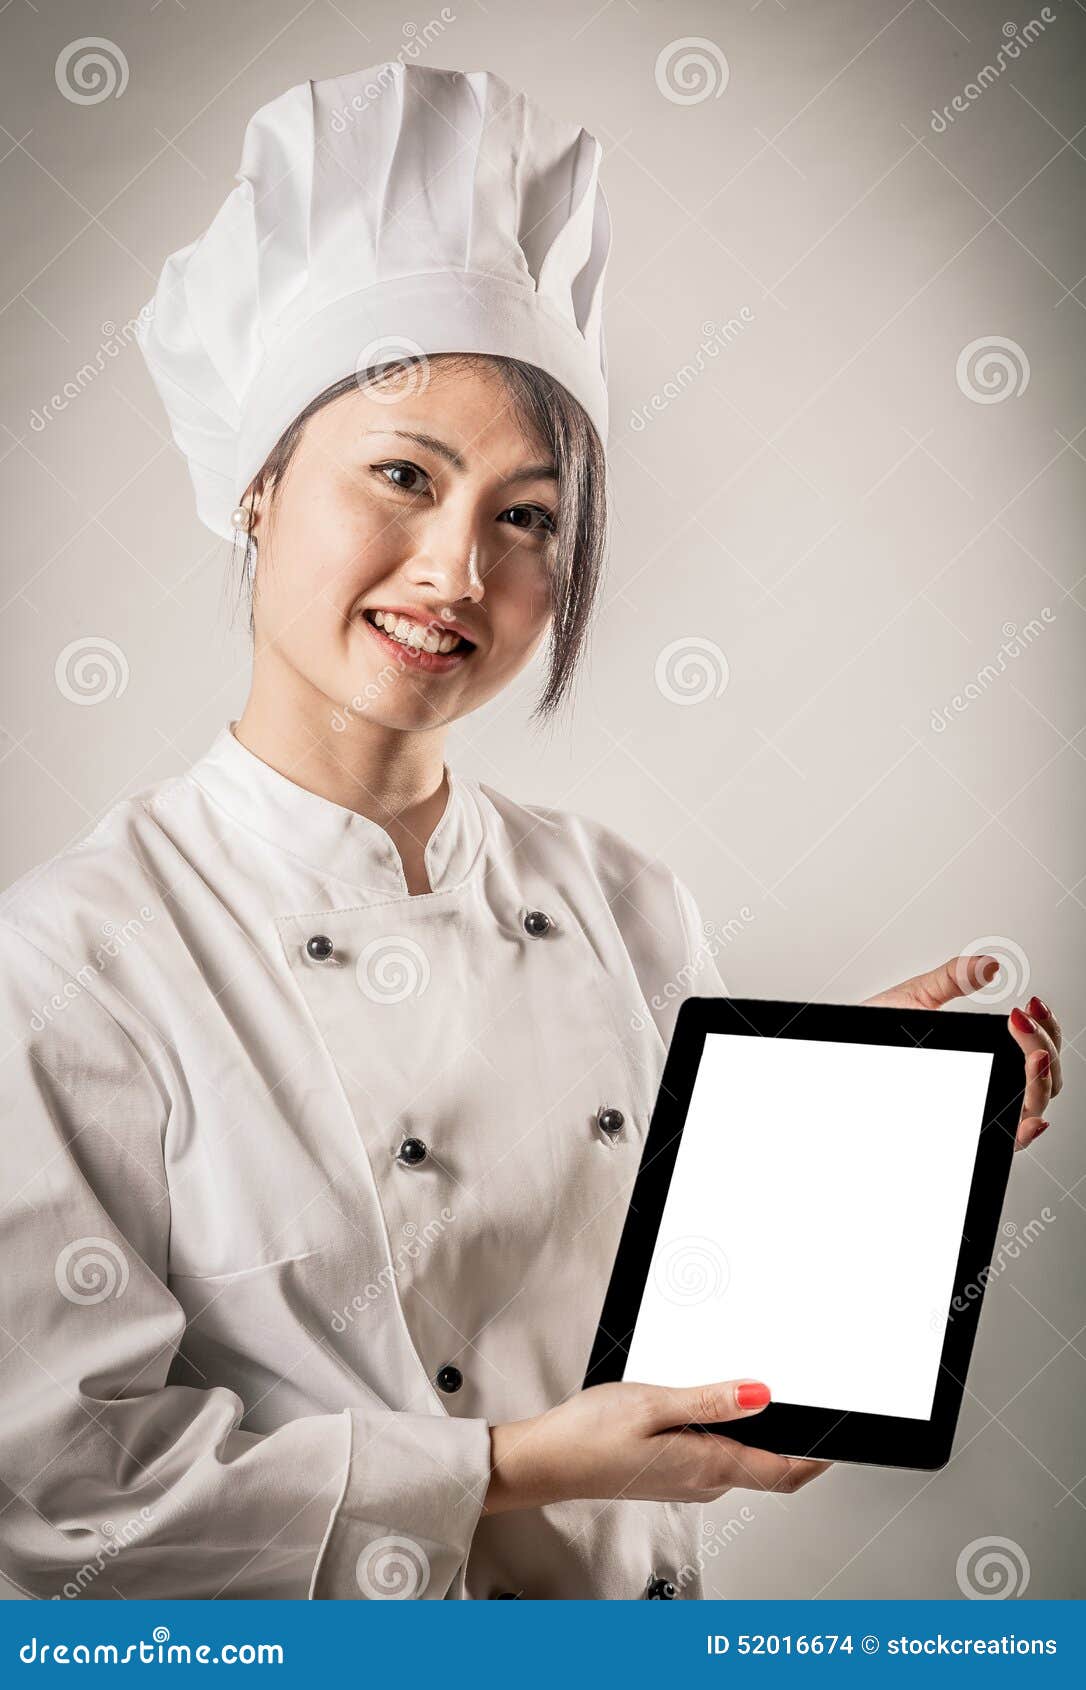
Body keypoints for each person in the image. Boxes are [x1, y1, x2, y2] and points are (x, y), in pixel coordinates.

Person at [0, 62, 1061, 1603]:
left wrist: (831, 1148)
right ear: (255, 482)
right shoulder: (74, 959)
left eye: (526, 514)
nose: (455, 568)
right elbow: (61, 1502)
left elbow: (676, 1365)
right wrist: (518, 1465)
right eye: (403, 477)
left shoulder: (624, 902)